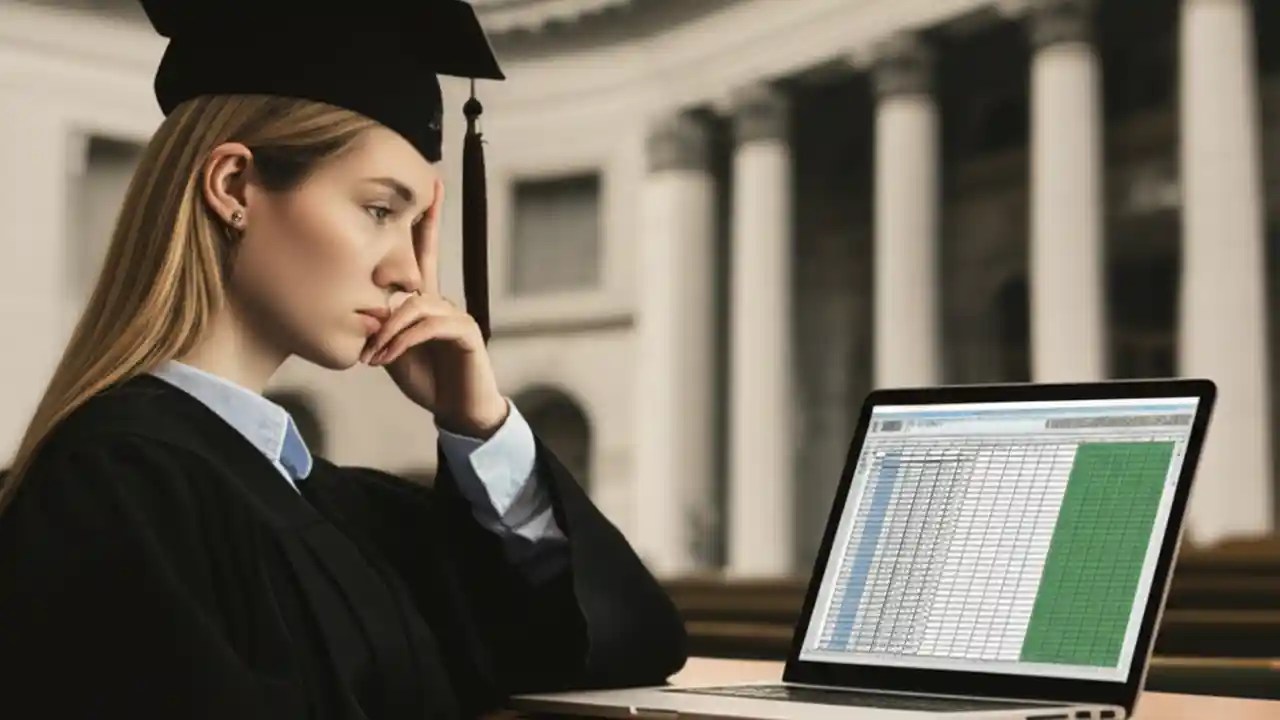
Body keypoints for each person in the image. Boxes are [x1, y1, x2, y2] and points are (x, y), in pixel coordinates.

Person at [0, 1, 687, 718]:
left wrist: (481, 426)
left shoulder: (343, 507)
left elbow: (627, 647)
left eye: (418, 226)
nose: (410, 275)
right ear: (233, 187)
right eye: (379, 211)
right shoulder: (111, 489)